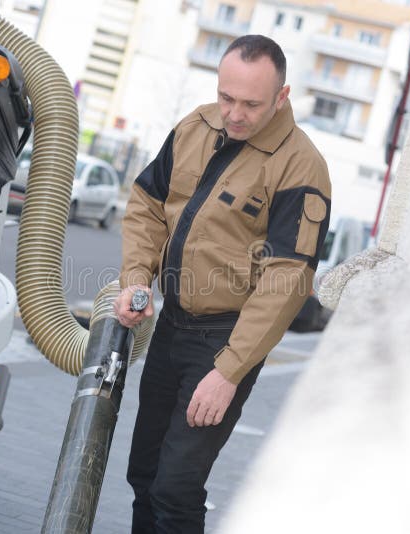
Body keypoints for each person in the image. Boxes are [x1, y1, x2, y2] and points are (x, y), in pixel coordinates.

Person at [113, 34, 332, 533]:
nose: (233, 113)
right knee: (145, 474)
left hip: (224, 341)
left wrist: (229, 371)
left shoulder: (302, 166)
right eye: (226, 96)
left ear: (282, 96)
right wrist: (136, 279)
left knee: (175, 489)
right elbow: (148, 203)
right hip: (171, 326)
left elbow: (287, 278)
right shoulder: (196, 125)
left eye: (251, 104)